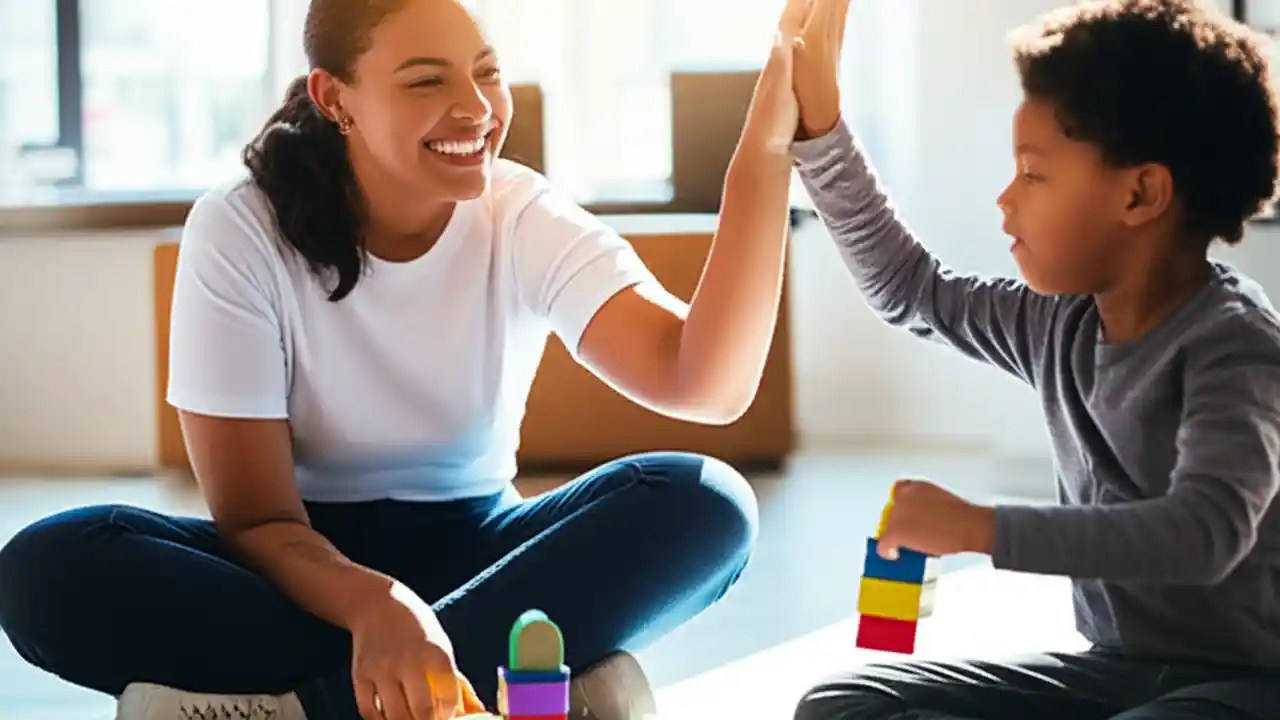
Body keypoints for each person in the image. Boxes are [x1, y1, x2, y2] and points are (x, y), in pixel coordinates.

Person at [0, 0, 817, 718]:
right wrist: (376, 609)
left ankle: (305, 706)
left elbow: (705, 383)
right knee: (44, 569)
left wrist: (766, 147)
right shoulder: (239, 228)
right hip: (295, 568)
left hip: (484, 549)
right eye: (427, 81)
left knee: (704, 502)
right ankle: (490, 679)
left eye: (486, 73)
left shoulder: (519, 213)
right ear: (336, 98)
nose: (475, 108)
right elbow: (255, 520)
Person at [787, 0, 1280, 718]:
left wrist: (977, 527)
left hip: (1247, 689)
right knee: (840, 706)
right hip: (1113, 672)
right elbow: (910, 290)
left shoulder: (1236, 350)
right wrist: (821, 129)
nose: (1004, 200)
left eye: (1032, 174)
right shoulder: (1057, 324)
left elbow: (1204, 533)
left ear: (1140, 193)